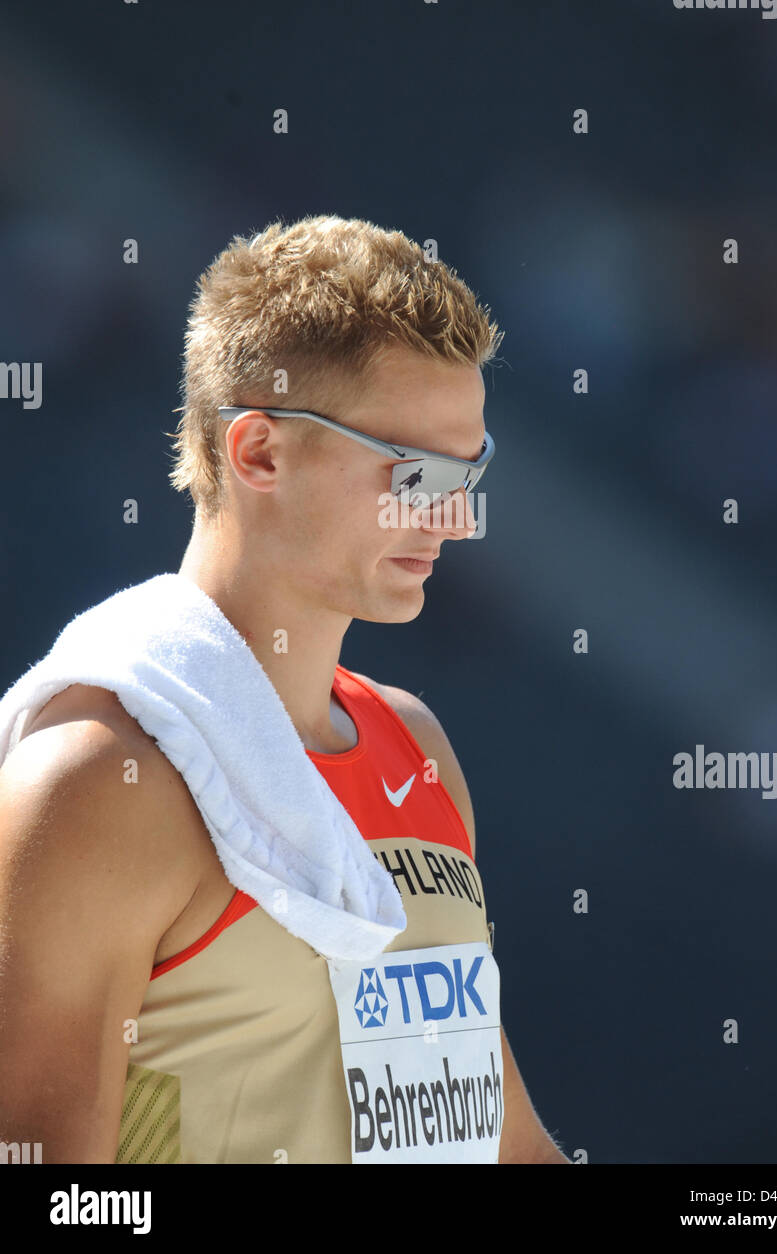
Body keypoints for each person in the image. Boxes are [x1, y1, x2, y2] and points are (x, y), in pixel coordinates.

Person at [0, 214, 569, 1164]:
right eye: (418, 471)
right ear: (259, 452)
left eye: (472, 472)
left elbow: (500, 1147)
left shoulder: (413, 746)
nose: (458, 519)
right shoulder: (96, 779)